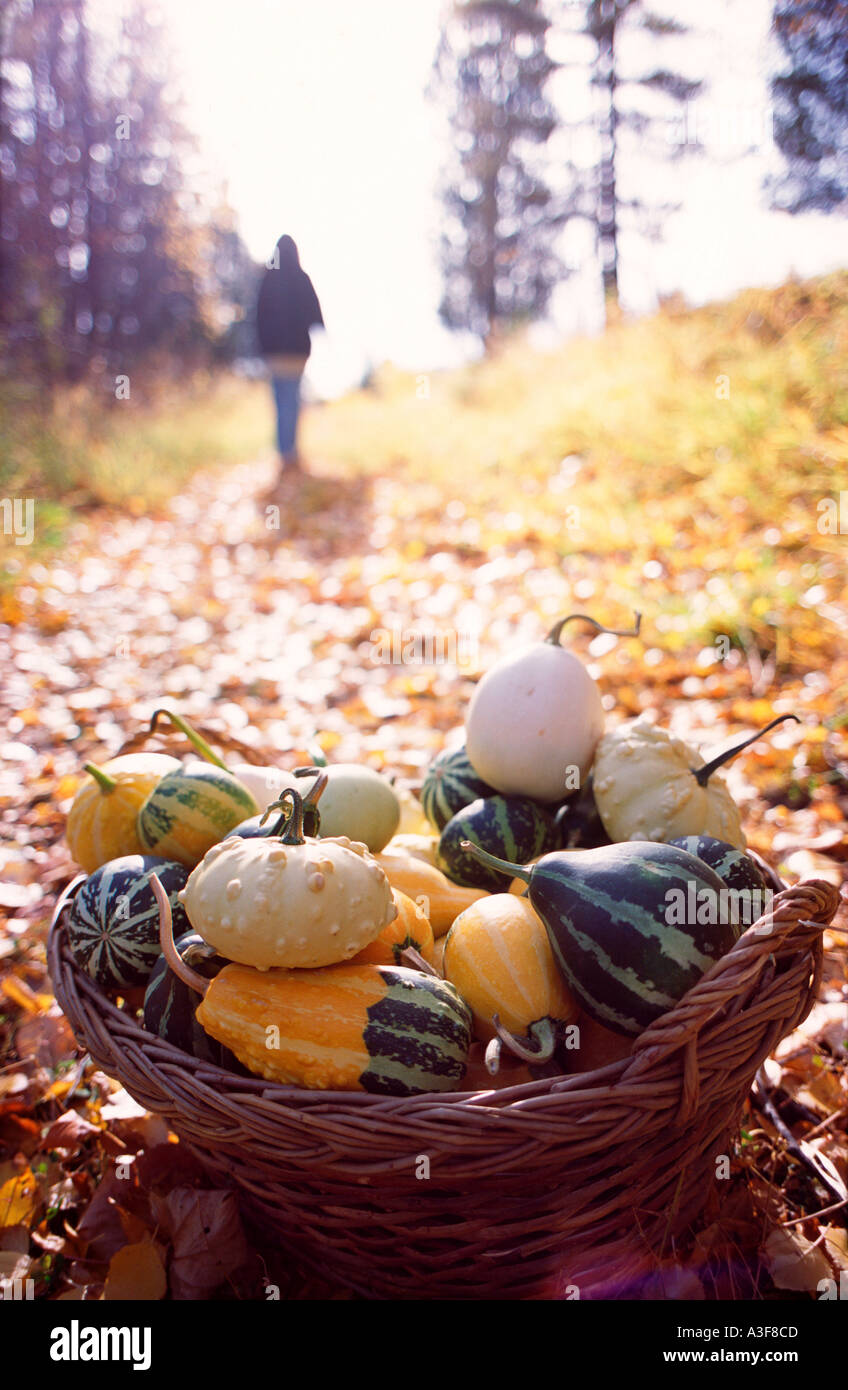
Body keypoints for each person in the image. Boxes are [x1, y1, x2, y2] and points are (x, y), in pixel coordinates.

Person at [256, 234, 324, 475]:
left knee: (280, 402)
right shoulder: (301, 278)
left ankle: (284, 451)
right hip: (297, 353)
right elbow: (315, 314)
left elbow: (258, 317)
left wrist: (261, 347)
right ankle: (290, 451)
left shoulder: (268, 278)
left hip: (275, 353)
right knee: (292, 401)